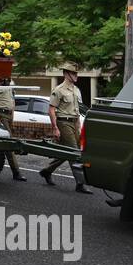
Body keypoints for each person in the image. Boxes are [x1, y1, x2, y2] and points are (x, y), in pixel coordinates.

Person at [40, 61, 92, 193]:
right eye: (73, 73)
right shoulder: (59, 90)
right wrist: (55, 128)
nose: (76, 75)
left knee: (65, 152)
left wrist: (79, 126)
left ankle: (47, 171)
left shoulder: (76, 90)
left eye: (76, 73)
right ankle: (80, 184)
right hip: (63, 123)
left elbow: (76, 111)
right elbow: (51, 110)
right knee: (74, 152)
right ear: (66, 74)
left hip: (74, 122)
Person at [0, 81, 26, 182]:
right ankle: (16, 172)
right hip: (0, 114)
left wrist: (12, 114)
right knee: (9, 143)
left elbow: (12, 99)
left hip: (9, 114)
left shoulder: (11, 82)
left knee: (6, 143)